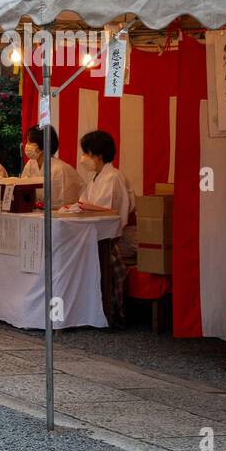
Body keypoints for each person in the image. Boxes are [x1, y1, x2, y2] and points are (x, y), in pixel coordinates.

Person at [76, 129, 137, 325]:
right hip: (97, 231)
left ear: (98, 155)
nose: (83, 157)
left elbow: (111, 213)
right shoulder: (96, 177)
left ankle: (102, 308)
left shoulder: (113, 177)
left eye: (86, 153)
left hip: (115, 237)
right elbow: (84, 202)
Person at [22, 124, 83, 207]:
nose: (27, 145)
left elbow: (62, 202)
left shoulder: (59, 169)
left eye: (30, 142)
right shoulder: (30, 164)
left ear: (43, 144)